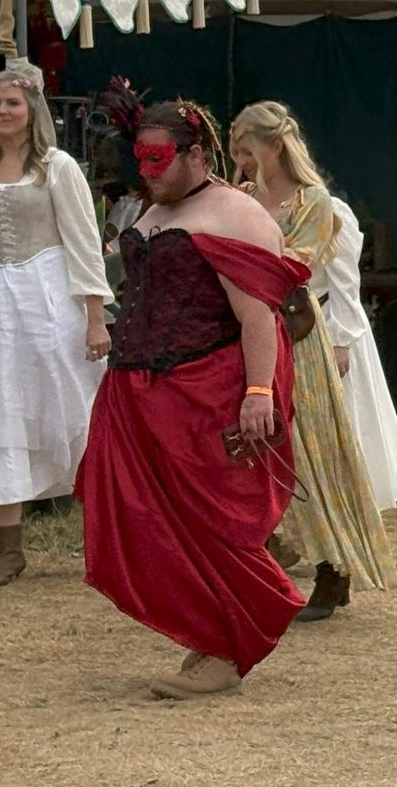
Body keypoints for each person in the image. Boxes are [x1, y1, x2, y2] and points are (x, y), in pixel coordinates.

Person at [74, 98, 311, 700]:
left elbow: (259, 318)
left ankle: (232, 644)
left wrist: (259, 393)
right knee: (151, 519)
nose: (147, 169)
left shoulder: (236, 213)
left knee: (212, 523)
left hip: (204, 388)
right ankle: (210, 637)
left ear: (197, 155)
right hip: (139, 391)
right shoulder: (153, 211)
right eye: (141, 158)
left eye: (159, 158)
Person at [0, 62, 112, 586]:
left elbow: (84, 244)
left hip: (49, 298)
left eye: (13, 103)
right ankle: (9, 547)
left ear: (31, 109)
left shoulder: (57, 167)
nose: (4, 111)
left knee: (72, 406)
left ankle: (106, 539)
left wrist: (95, 317)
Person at [231, 103, 396, 621]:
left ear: (274, 146)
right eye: (234, 151)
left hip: (297, 336)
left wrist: (235, 256)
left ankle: (334, 566)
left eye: (246, 149)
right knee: (256, 449)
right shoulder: (236, 198)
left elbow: (294, 265)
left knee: (312, 449)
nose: (240, 160)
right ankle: (264, 556)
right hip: (243, 335)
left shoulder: (315, 202)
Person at [324, 195, 397, 510]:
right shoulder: (249, 201)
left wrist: (341, 337)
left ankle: (352, 502)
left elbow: (344, 281)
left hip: (328, 320)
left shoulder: (326, 208)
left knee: (350, 417)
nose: (245, 161)